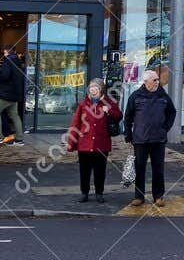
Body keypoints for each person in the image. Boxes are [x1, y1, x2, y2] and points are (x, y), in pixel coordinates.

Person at [123, 70, 177, 207]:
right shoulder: (135, 96)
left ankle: (158, 196)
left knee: (158, 169)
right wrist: (128, 134)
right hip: (140, 139)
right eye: (154, 80)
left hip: (158, 139)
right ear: (145, 82)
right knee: (139, 168)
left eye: (157, 79)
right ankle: (139, 196)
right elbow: (128, 116)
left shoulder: (163, 96)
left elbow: (172, 112)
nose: (157, 82)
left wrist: (165, 128)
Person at [65, 79, 122, 203]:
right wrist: (71, 142)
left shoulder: (108, 102)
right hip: (84, 143)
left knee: (100, 171)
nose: (92, 89)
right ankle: (84, 193)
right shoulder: (83, 104)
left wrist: (109, 110)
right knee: (84, 171)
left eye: (95, 87)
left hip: (102, 143)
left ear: (101, 89)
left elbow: (118, 116)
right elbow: (76, 123)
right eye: (91, 87)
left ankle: (99, 193)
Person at [0, 44, 26, 146]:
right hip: (16, 92)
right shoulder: (18, 62)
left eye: (4, 52)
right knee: (14, 115)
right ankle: (19, 139)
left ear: (6, 51)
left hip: (7, 93)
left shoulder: (8, 61)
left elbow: (5, 76)